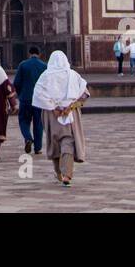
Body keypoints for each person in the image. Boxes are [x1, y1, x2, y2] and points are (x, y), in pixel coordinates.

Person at [32, 50, 90, 186]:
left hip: (51, 114)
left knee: (54, 142)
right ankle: (67, 174)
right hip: (70, 114)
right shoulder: (73, 75)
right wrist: (70, 106)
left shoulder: (46, 76)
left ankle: (59, 172)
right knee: (68, 141)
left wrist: (54, 107)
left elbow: (38, 95)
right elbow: (85, 94)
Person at [13, 46, 48, 154]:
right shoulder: (44, 66)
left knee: (24, 121)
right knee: (38, 124)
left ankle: (28, 138)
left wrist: (20, 94)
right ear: (39, 54)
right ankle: (38, 148)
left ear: (29, 53)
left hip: (26, 99)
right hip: (40, 100)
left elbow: (16, 83)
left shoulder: (23, 65)